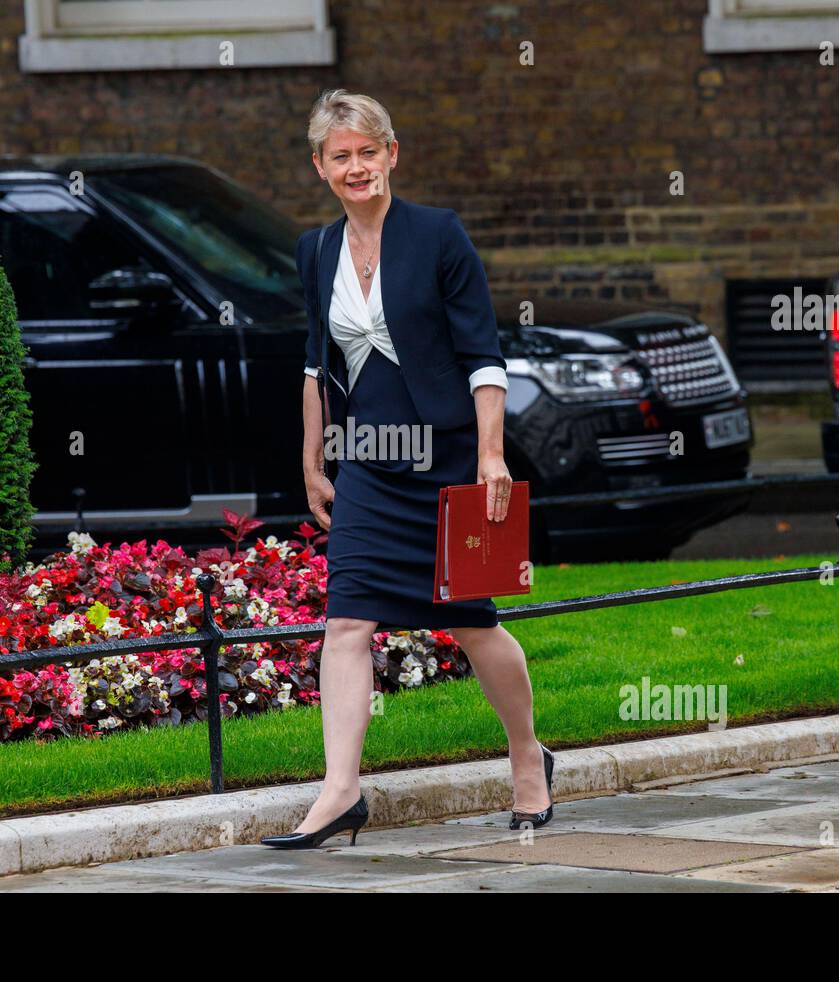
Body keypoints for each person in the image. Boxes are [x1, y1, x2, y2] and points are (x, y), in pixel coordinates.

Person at [260, 89, 554, 849]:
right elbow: (315, 366)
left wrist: (491, 455)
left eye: (369, 151)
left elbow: (485, 359)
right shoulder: (315, 250)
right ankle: (340, 792)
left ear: (392, 154)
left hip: (448, 457)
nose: (356, 167)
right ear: (320, 168)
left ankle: (528, 757)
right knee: (347, 623)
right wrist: (312, 457)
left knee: (471, 624)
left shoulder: (438, 236)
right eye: (340, 157)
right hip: (366, 462)